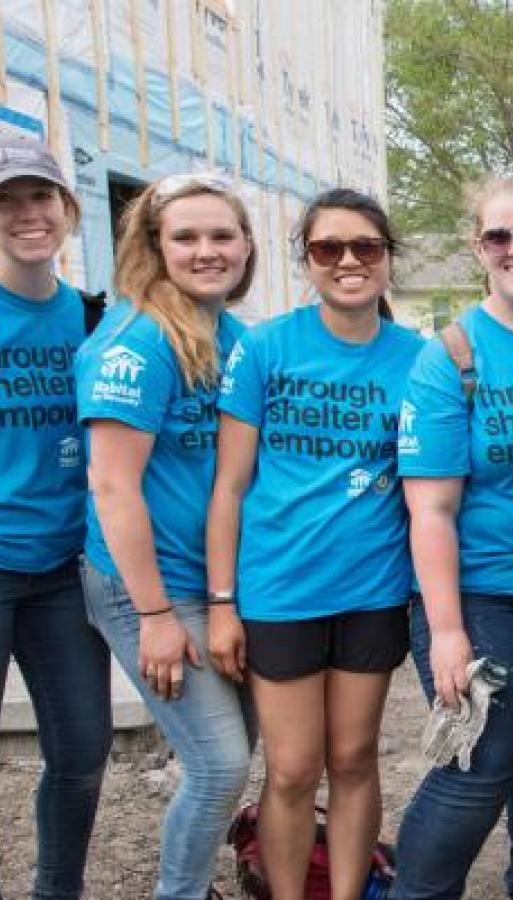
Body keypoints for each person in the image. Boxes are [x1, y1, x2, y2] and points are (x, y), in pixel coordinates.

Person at [208, 189, 424, 900]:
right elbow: (230, 486)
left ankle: (351, 890)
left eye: (366, 246)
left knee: (356, 757)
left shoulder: (416, 359)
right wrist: (221, 602)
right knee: (295, 768)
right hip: (280, 590)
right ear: (307, 261)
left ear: (388, 259)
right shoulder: (266, 348)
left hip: (372, 588)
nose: (349, 261)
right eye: (329, 248)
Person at [393, 176, 513, 899]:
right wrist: (445, 630)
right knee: (484, 763)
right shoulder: (451, 356)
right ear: (479, 248)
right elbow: (432, 511)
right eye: (498, 237)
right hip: (483, 592)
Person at [77, 171, 255, 900]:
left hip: (213, 582)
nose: (207, 251)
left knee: (238, 753)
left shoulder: (233, 334)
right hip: (145, 585)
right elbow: (112, 485)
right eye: (186, 237)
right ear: (155, 246)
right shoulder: (136, 341)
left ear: (247, 246)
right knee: (218, 764)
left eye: (223, 235)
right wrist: (152, 615)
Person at [0, 135, 110, 900]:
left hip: (68, 572)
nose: (27, 215)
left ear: (68, 208)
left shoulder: (95, 320)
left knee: (81, 752)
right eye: (6, 203)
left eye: (40, 197)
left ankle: (55, 892)